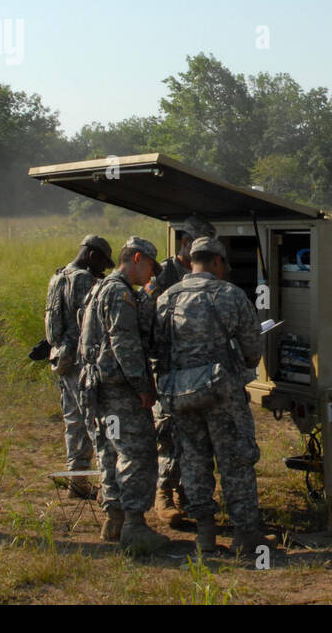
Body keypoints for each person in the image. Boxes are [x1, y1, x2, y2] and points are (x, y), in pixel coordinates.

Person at [153, 236, 267, 554]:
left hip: (181, 396)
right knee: (236, 462)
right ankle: (245, 536)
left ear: (190, 262)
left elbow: (157, 350)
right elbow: (253, 349)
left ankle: (205, 535)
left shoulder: (167, 298)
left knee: (193, 461)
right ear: (217, 262)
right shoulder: (229, 295)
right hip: (222, 395)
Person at [78, 236, 169, 554]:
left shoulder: (98, 288)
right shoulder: (120, 293)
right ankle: (134, 526)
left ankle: (113, 521)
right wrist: (143, 386)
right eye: (151, 267)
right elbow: (124, 342)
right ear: (137, 258)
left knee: (110, 452)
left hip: (98, 389)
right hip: (119, 390)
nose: (152, 275)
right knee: (137, 453)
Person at [143, 215, 216, 526]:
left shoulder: (209, 275)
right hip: (171, 370)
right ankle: (164, 493)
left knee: (200, 437)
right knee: (169, 433)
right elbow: (148, 321)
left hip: (201, 372)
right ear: (186, 243)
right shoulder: (163, 274)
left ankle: (189, 493)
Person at [44, 234, 114, 498]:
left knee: (73, 421)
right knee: (95, 421)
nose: (103, 271)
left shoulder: (57, 276)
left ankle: (78, 482)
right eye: (102, 264)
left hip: (62, 359)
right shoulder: (84, 280)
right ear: (92, 256)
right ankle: (108, 486)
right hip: (82, 362)